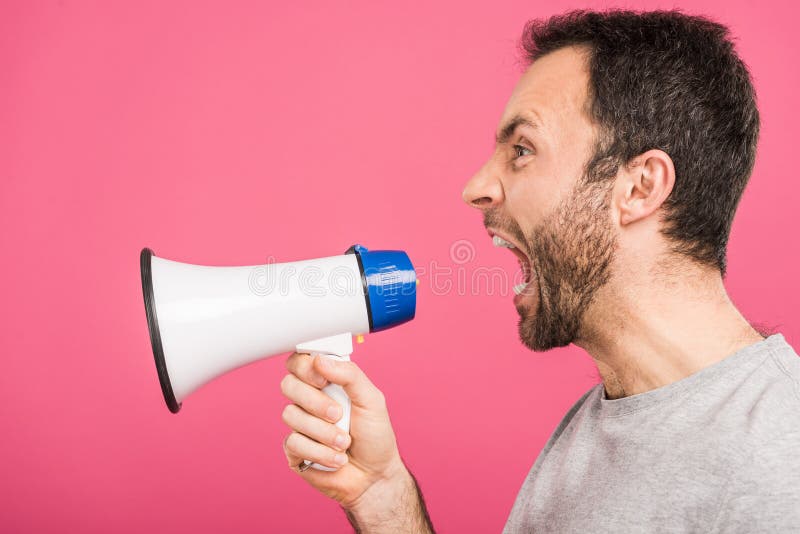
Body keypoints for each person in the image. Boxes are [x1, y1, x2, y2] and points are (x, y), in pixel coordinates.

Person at [278, 9, 800, 533]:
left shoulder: (781, 458)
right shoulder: (594, 431)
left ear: (640, 188)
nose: (476, 186)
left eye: (522, 150)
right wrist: (382, 496)